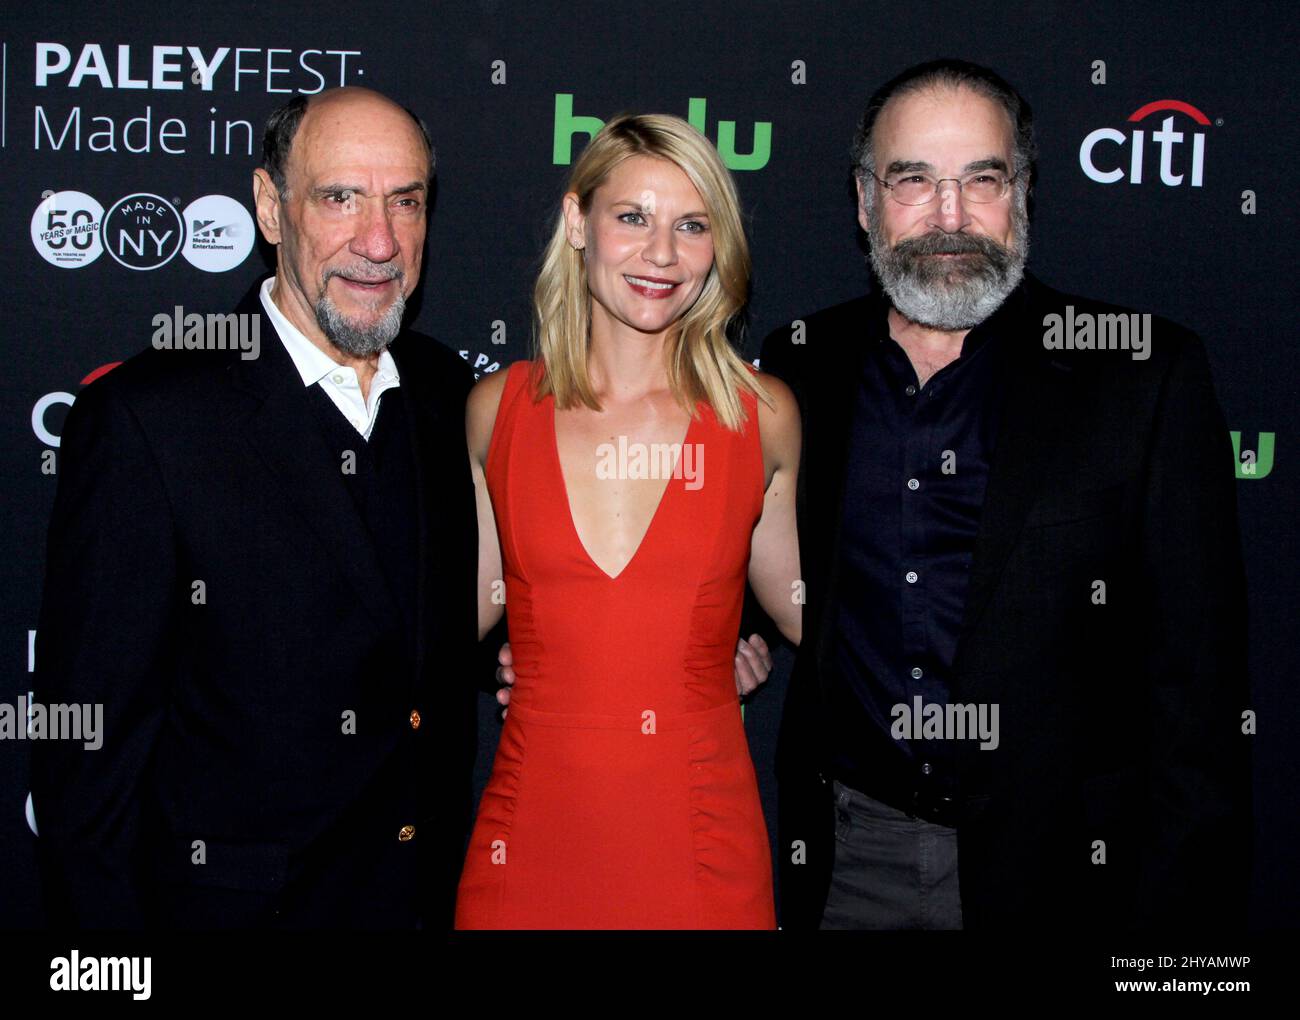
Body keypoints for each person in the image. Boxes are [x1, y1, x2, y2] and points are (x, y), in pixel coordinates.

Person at [760, 59, 1251, 930]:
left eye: (981, 180)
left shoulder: (1142, 372)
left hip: (1067, 875)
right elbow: (768, 561)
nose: (950, 218)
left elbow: (1200, 688)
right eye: (914, 181)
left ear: (1022, 194)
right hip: (847, 861)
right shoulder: (803, 363)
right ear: (866, 200)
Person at [29, 87, 479, 930]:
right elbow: (88, 767)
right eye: (339, 197)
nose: (378, 242)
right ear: (272, 208)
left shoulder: (450, 394)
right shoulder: (148, 419)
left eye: (404, 202)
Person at [454, 113, 802, 929]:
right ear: (578, 222)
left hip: (698, 847)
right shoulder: (495, 410)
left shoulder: (761, 415)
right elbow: (448, 626)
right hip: (528, 839)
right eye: (632, 217)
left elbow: (820, 618)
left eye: (691, 225)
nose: (661, 255)